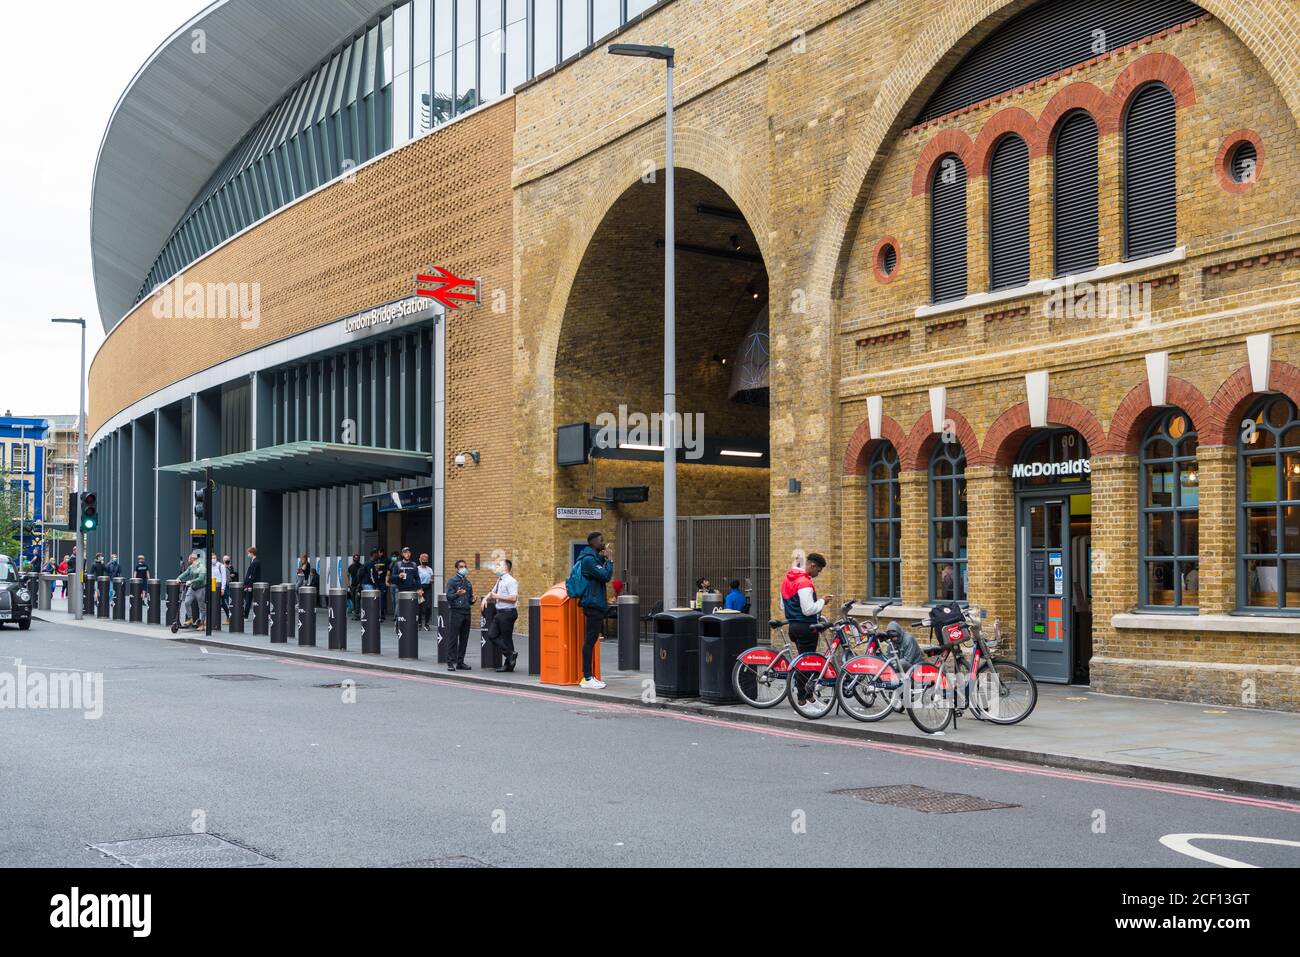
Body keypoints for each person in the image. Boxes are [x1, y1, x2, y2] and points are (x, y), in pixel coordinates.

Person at [780, 553, 832, 706]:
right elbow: (808, 609)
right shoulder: (804, 583)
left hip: (793, 626)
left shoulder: (788, 579)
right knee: (807, 664)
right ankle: (802, 701)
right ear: (812, 565)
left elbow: (782, 605)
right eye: (819, 570)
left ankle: (809, 697)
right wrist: (822, 601)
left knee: (804, 661)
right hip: (806, 627)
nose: (818, 574)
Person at [576, 531, 613, 690]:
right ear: (592, 543)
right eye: (600, 540)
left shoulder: (593, 558)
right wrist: (610, 560)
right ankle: (587, 677)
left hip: (595, 604)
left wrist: (604, 558)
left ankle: (590, 676)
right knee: (590, 640)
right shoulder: (589, 560)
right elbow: (605, 576)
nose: (603, 543)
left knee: (591, 640)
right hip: (592, 604)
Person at [484, 559, 519, 672]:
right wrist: (485, 599)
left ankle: (508, 665)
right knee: (491, 635)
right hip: (500, 613)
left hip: (508, 613)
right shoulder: (500, 580)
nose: (496, 567)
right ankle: (510, 655)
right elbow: (492, 592)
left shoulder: (511, 581)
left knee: (507, 639)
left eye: (499, 565)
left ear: (505, 568)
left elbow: (513, 598)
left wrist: (497, 596)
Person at [445, 559, 474, 671]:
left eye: (465, 566)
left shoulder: (468, 582)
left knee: (464, 638)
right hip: (456, 611)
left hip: (467, 612)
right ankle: (450, 662)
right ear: (456, 568)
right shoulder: (452, 581)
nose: (464, 569)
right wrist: (457, 594)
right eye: (461, 567)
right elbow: (449, 597)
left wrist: (473, 600)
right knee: (453, 637)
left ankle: (460, 662)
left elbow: (470, 599)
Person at [173, 553, 205, 631]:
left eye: (189, 559)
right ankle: (190, 618)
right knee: (187, 602)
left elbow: (201, 578)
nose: (188, 560)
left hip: (200, 589)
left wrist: (191, 581)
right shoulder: (191, 567)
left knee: (202, 608)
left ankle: (202, 624)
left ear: (193, 559)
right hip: (192, 588)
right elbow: (185, 573)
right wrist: (178, 578)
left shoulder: (202, 567)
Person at [393, 546, 421, 633]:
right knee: (399, 608)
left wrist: (419, 588)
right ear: (402, 554)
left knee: (412, 608)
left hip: (412, 589)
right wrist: (398, 576)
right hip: (401, 589)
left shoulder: (414, 564)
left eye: (408, 552)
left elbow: (417, 577)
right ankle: (398, 625)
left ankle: (411, 626)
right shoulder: (398, 564)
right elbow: (392, 577)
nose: (407, 554)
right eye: (405, 552)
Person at [243, 546, 262, 619]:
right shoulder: (254, 561)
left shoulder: (255, 562)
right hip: (252, 584)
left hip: (252, 584)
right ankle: (246, 615)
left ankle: (245, 616)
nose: (248, 554)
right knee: (252, 600)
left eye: (248, 553)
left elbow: (252, 575)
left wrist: (249, 585)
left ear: (252, 553)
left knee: (249, 600)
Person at [417, 553, 434, 629]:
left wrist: (431, 580)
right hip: (420, 588)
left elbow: (433, 579)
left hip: (428, 588)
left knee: (428, 606)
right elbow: (415, 579)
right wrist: (418, 589)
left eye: (426, 558)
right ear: (420, 559)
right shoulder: (417, 569)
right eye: (423, 558)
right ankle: (419, 623)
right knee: (419, 606)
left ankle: (426, 623)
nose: (424, 559)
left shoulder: (430, 569)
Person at [347, 553, 365, 620]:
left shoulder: (362, 566)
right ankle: (356, 613)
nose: (356, 559)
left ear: (359, 559)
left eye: (357, 558)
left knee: (357, 600)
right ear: (353, 558)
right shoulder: (351, 566)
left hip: (359, 586)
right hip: (352, 586)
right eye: (355, 558)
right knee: (353, 600)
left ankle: (357, 614)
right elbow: (347, 575)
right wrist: (348, 584)